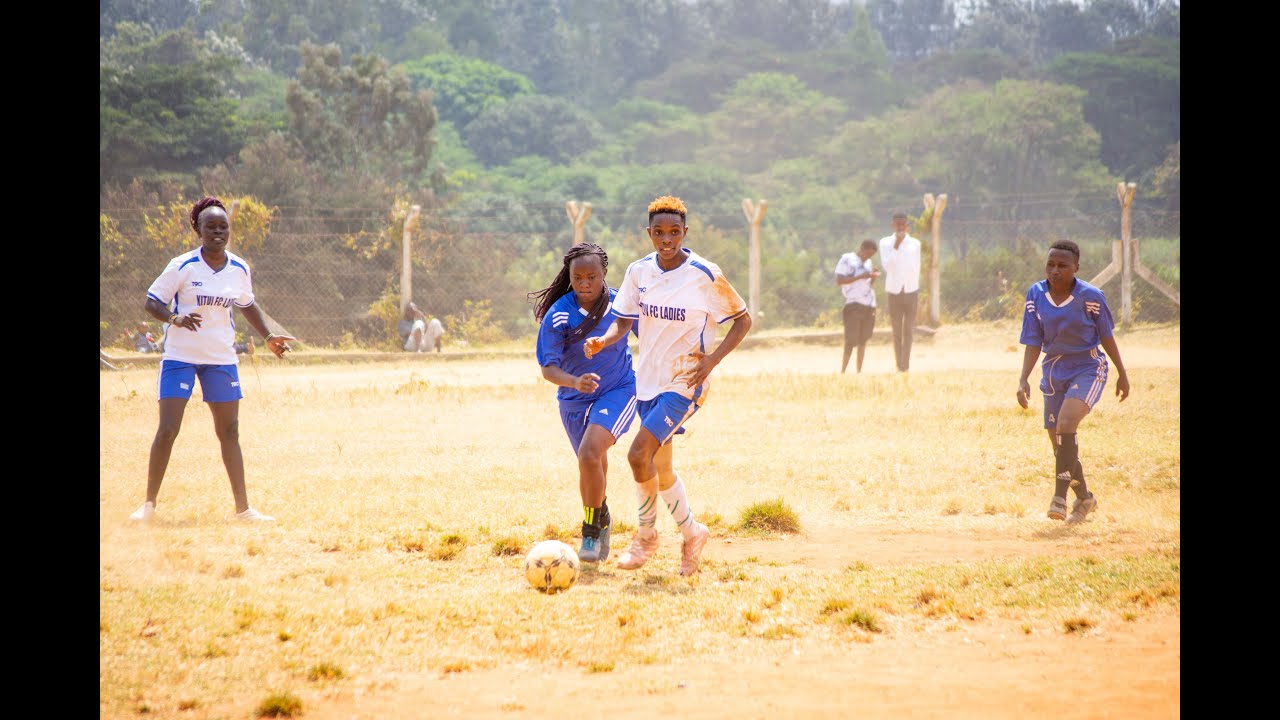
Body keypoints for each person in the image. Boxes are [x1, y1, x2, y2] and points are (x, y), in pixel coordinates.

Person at [584, 195, 753, 575]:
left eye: (674, 232)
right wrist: (604, 340)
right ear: (649, 233)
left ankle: (646, 537)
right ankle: (693, 533)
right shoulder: (639, 272)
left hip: (686, 381)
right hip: (648, 382)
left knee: (637, 455)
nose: (666, 239)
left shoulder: (705, 274)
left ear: (685, 232)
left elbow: (742, 320)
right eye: (659, 232)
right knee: (660, 468)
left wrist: (712, 360)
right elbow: (623, 321)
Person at [130, 196, 296, 523]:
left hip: (220, 358)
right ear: (199, 230)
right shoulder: (182, 266)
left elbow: (247, 304)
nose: (218, 232)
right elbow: (152, 302)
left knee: (230, 431)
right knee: (168, 429)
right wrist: (174, 318)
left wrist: (268, 337)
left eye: (223, 227)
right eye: (211, 227)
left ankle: (243, 510)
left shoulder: (239, 269)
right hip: (180, 357)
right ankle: (148, 506)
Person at [529, 242, 638, 562]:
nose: (585, 284)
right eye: (578, 278)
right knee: (592, 462)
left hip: (618, 390)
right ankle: (602, 515)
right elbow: (548, 369)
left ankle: (590, 532)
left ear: (604, 274)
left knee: (590, 452)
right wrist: (575, 381)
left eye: (592, 277)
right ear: (570, 277)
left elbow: (650, 335)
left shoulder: (621, 303)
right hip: (573, 399)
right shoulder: (559, 314)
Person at [1017, 239, 1130, 524]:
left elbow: (1106, 336)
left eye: (1062, 265)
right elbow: (1033, 340)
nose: (1055, 270)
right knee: (1059, 444)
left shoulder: (1091, 297)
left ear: (1076, 268)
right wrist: (1023, 378)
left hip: (1088, 368)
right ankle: (1085, 498)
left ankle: (1059, 499)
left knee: (1066, 424)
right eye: (1050, 264)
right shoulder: (1035, 294)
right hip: (1054, 371)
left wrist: (1122, 372)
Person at [879, 212, 921, 372]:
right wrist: (896, 245)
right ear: (893, 225)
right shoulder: (885, 243)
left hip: (911, 290)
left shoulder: (915, 244)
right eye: (898, 224)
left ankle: (905, 365)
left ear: (907, 226)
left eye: (903, 224)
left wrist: (914, 286)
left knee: (908, 330)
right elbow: (888, 267)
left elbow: (916, 267)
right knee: (896, 330)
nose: (900, 227)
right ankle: (899, 364)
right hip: (894, 291)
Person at [834, 238, 881, 373]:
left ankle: (859, 371)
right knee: (850, 339)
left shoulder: (868, 263)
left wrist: (872, 278)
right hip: (853, 304)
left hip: (868, 304)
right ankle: (843, 370)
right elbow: (840, 280)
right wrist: (860, 276)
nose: (868, 257)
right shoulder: (847, 259)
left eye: (871, 255)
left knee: (863, 339)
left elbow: (867, 285)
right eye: (867, 254)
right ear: (862, 248)